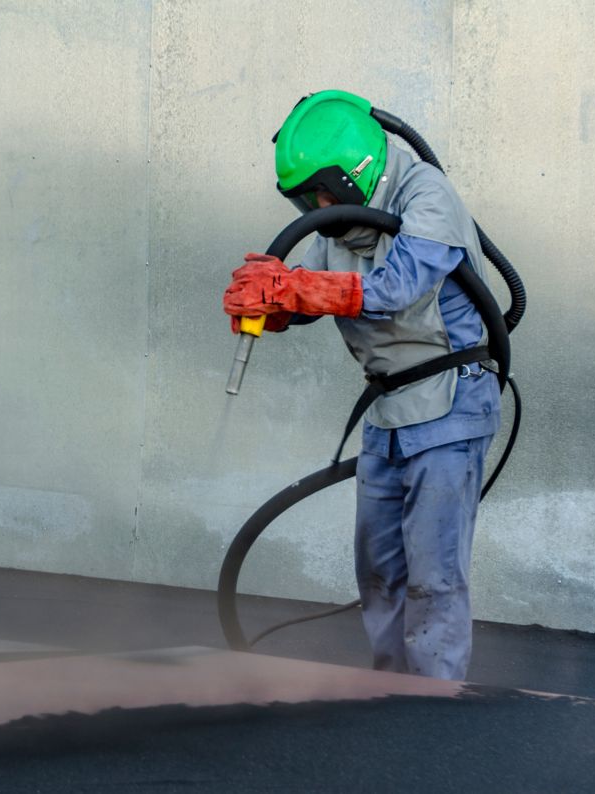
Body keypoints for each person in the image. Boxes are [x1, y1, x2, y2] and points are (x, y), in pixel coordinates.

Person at [222, 90, 500, 680]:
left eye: (319, 193)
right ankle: (390, 690)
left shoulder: (427, 196)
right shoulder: (341, 226)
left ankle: (433, 701)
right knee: (377, 570)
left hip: (451, 405)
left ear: (354, 173)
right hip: (389, 411)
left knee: (435, 576)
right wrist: (274, 304)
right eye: (303, 199)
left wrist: (298, 291)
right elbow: (321, 291)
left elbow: (398, 289)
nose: (313, 207)